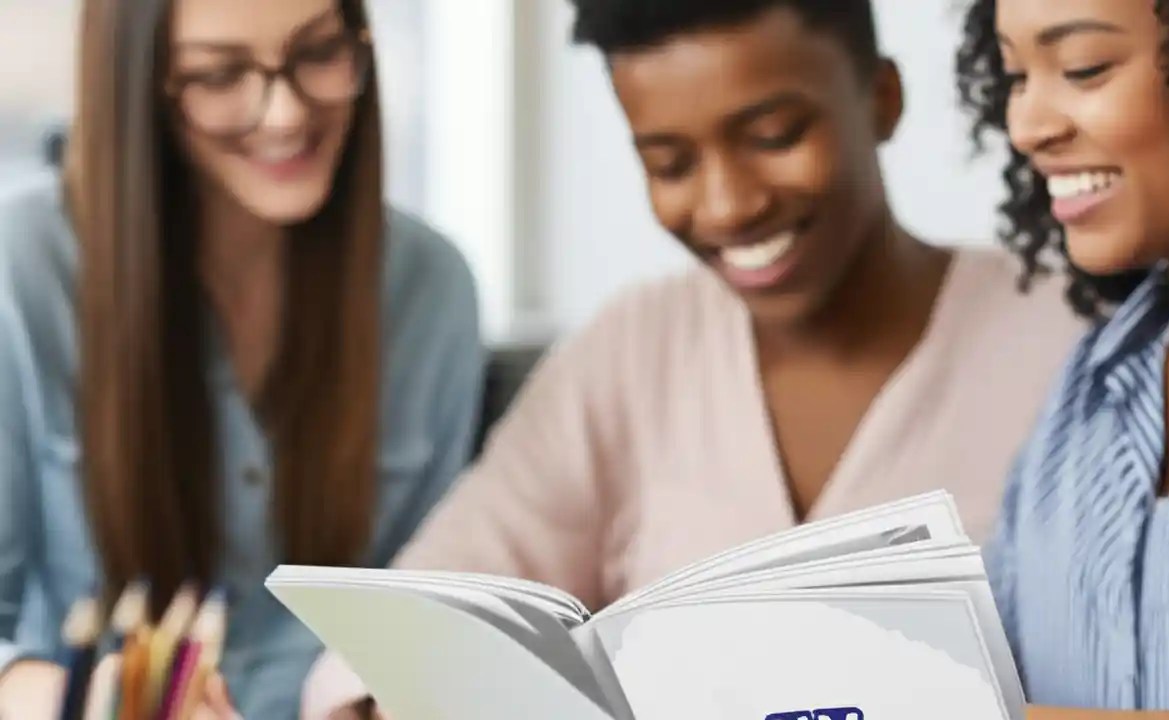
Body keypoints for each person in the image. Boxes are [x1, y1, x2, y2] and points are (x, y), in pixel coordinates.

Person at [304, 0, 1085, 716]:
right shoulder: (633, 350)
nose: (726, 205)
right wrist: (377, 698)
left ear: (882, 98)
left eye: (775, 137)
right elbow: (427, 600)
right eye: (670, 164)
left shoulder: (1075, 345)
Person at [0, 0, 484, 716]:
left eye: (318, 52)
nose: (285, 114)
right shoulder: (22, 272)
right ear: (137, 83)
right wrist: (73, 699)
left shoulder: (431, 289)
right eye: (220, 75)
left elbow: (426, 610)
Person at [956, 0, 1169, 715]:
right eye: (1015, 75)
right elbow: (983, 679)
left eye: (1084, 67)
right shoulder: (1081, 400)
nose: (1027, 126)